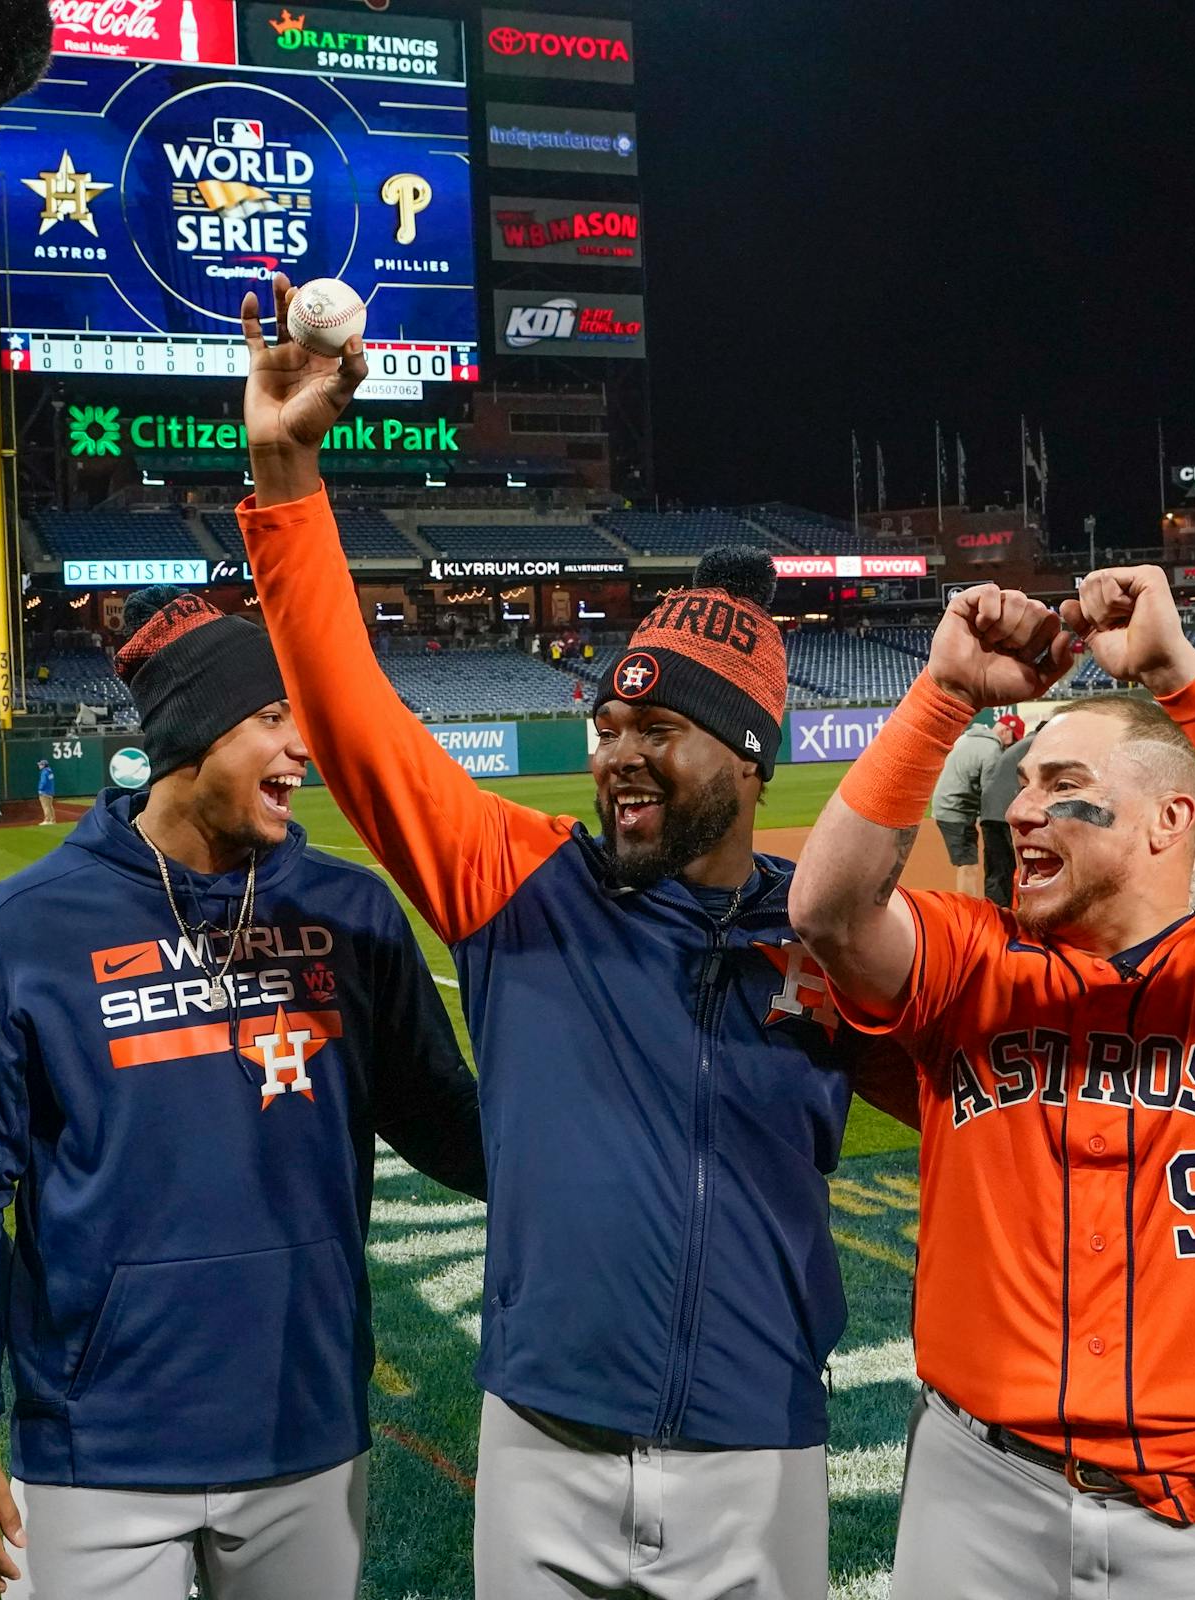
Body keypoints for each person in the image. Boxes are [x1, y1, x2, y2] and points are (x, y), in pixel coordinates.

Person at [234, 276, 905, 1600]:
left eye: (659, 734)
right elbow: (353, 714)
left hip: (757, 1450)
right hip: (541, 1442)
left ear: (750, 754)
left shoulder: (830, 934)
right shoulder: (519, 884)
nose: (619, 760)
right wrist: (285, 479)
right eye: (609, 729)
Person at [787, 570, 1195, 1598]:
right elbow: (830, 911)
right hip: (978, 1488)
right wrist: (942, 694)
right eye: (1022, 781)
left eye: (1058, 781)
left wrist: (1183, 676)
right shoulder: (971, 958)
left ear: (1169, 820)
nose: (1018, 810)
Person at [0, 586, 486, 1599]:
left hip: (304, 1424)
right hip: (96, 1446)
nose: (300, 747)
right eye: (271, 718)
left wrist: (600, 1153)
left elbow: (447, 1121)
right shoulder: (21, 928)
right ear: (191, 734)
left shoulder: (351, 914)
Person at [929, 708, 1019, 899]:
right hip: (956, 810)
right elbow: (989, 792)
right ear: (1005, 731)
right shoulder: (992, 750)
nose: (1010, 746)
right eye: (1013, 740)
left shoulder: (967, 738)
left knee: (967, 862)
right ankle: (967, 911)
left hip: (947, 804)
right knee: (968, 865)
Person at [975, 712, 1033, 909]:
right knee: (1028, 865)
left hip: (989, 811)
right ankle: (1028, 914)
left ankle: (995, 919)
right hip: (1008, 811)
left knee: (996, 870)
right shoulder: (1038, 745)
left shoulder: (1015, 748)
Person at [34, 757, 56, 825]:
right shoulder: (50, 772)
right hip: (50, 792)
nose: (39, 766)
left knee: (46, 806)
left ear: (43, 765)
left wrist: (40, 789)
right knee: (50, 806)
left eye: (40, 765)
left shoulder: (44, 772)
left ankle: (47, 820)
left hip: (44, 792)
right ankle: (52, 820)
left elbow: (43, 782)